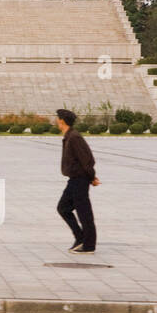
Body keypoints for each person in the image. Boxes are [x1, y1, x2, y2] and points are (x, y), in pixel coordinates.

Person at [55, 108, 99, 254]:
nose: (56, 121)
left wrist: (92, 177)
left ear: (62, 121)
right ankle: (80, 238)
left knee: (84, 213)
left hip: (80, 180)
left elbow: (87, 159)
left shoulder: (74, 137)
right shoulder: (69, 136)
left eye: (57, 118)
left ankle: (89, 245)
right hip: (74, 180)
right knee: (63, 208)